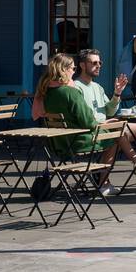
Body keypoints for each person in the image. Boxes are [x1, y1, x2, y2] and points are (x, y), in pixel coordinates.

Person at [33, 54, 119, 197]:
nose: (74, 71)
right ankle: (103, 182)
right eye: (72, 68)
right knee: (114, 139)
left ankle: (98, 176)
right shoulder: (70, 92)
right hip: (77, 142)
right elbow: (88, 122)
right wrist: (104, 123)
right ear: (64, 70)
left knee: (112, 134)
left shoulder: (45, 91)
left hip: (56, 142)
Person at [73, 49, 136, 175]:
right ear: (82, 65)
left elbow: (110, 111)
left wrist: (117, 94)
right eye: (94, 63)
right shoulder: (76, 87)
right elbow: (83, 117)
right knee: (116, 132)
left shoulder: (98, 87)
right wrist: (104, 122)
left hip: (107, 128)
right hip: (92, 131)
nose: (98, 66)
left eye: (100, 63)